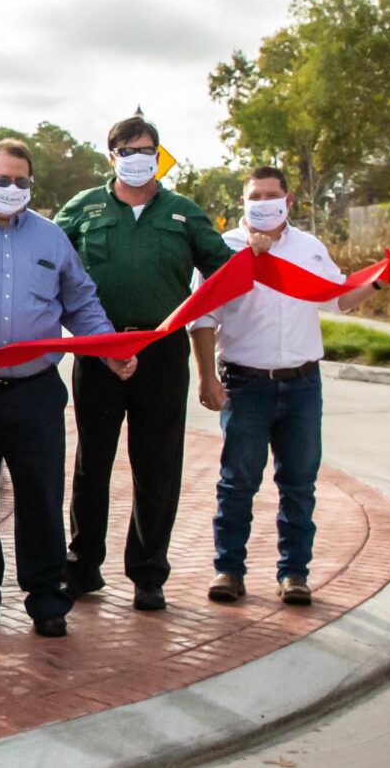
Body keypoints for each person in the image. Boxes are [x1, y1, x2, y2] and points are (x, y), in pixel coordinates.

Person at [54, 115, 269, 613]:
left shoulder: (182, 212)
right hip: (100, 353)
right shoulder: (83, 208)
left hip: (162, 355)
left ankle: (148, 574)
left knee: (157, 467)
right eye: (127, 150)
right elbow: (50, 263)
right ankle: (83, 567)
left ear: (158, 154)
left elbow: (223, 270)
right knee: (92, 466)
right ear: (111, 157)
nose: (138, 158)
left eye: (146, 149)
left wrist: (254, 254)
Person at [0, 140, 127, 638]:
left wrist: (109, 348)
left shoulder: (51, 238)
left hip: (35, 391)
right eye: (4, 179)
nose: (12, 188)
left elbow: (81, 302)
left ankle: (45, 596)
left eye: (22, 181)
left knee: (40, 494)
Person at [189, 167, 390, 607]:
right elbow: (202, 317)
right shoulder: (222, 250)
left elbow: (337, 297)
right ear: (242, 200)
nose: (263, 202)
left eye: (272, 195)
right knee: (237, 482)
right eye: (255, 195)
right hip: (246, 383)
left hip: (302, 384)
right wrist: (206, 377)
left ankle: (294, 574)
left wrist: (376, 280)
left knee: (300, 483)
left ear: (288, 200)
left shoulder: (308, 248)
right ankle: (228, 569)